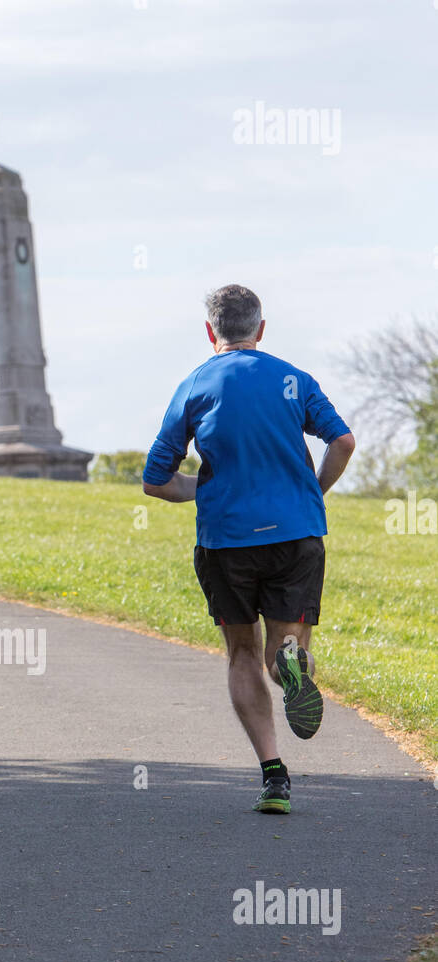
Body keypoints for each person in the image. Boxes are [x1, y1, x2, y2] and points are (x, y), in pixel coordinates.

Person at [142, 285, 355, 814]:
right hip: (297, 533)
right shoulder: (293, 378)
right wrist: (313, 491)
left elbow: (155, 480)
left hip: (226, 542)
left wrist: (207, 488)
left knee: (241, 653)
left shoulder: (195, 385)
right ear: (261, 329)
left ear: (211, 332)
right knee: (284, 646)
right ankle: (290, 667)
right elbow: (343, 441)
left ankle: (274, 776)